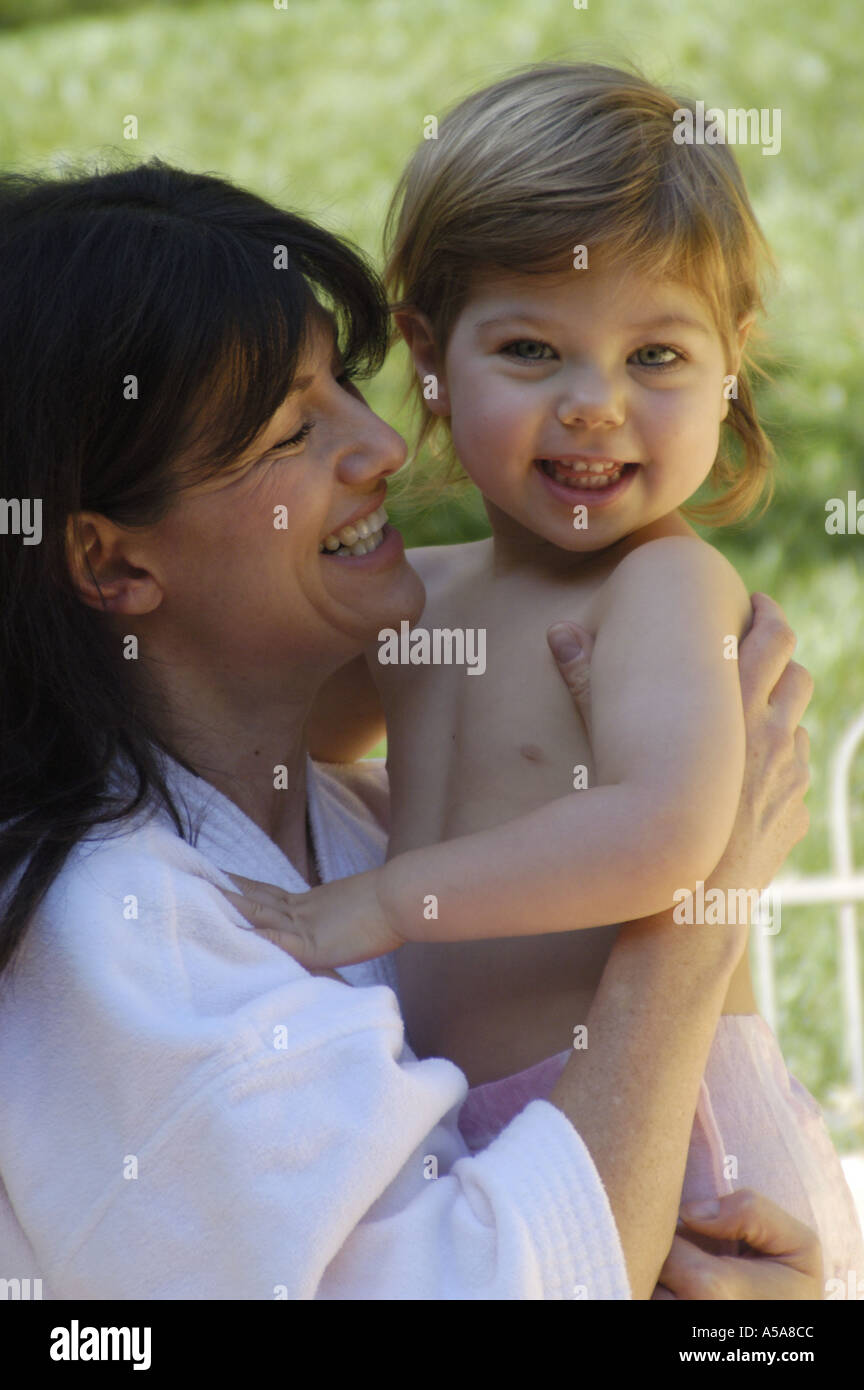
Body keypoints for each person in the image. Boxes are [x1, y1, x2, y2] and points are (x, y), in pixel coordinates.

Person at [0, 158, 818, 1301]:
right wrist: (695, 924)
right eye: (292, 429)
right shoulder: (122, 936)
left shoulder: (340, 821)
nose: (384, 448)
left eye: (344, 383)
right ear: (110, 557)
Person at [224, 65, 863, 1291]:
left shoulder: (660, 589)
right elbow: (284, 735)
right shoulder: (432, 594)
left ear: (732, 368)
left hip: (670, 1127)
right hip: (502, 1130)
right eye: (531, 349)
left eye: (656, 357)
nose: (593, 407)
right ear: (426, 359)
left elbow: (671, 830)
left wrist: (388, 904)